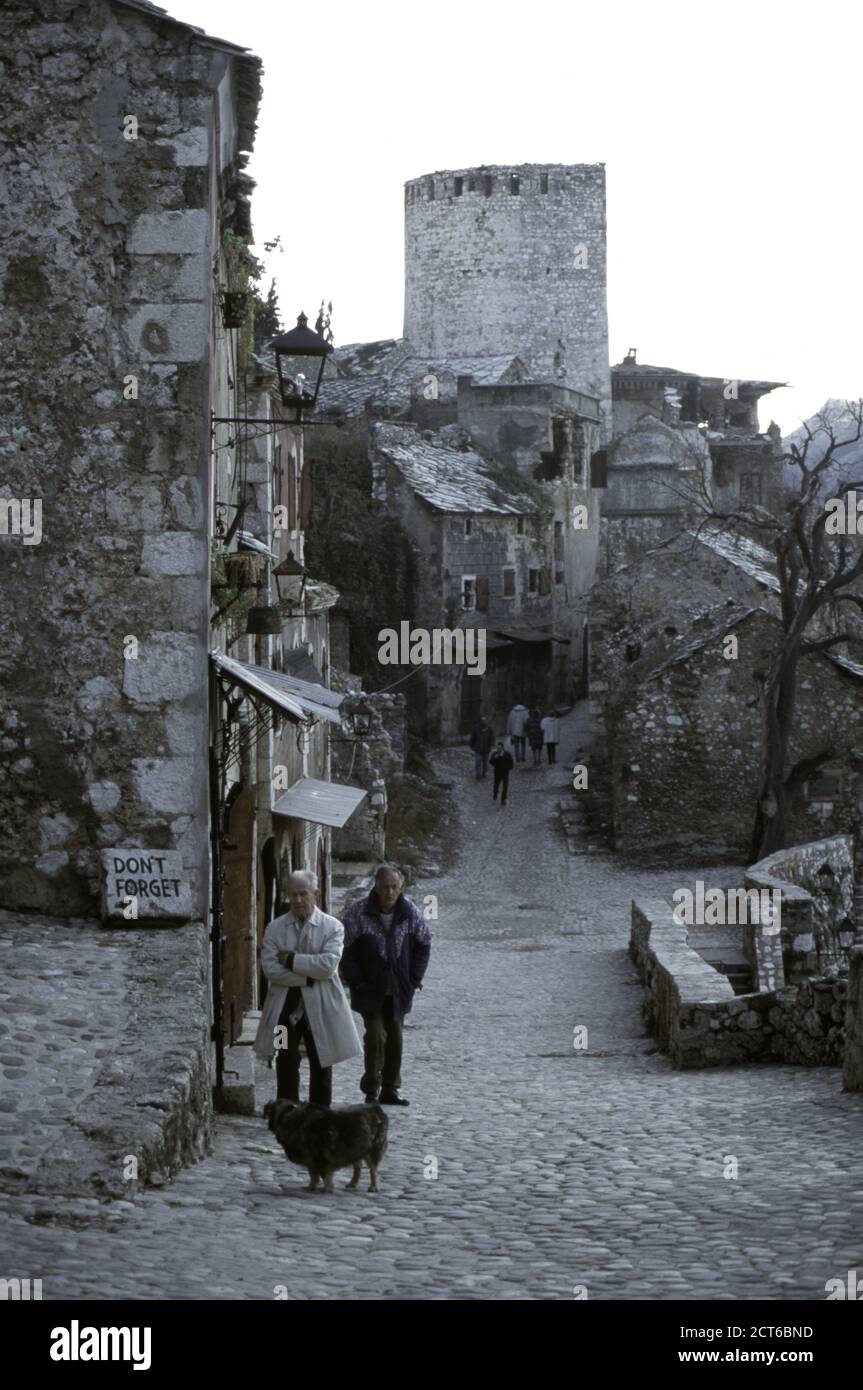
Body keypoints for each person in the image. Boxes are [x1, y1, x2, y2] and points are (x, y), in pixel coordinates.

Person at [254, 869, 362, 1105]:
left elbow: (327, 966)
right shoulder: (275, 928)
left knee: (322, 1060)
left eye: (303, 894)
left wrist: (291, 960)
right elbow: (271, 969)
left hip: (321, 1009)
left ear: (316, 894)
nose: (298, 900)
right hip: (284, 1012)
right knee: (285, 1058)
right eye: (293, 895)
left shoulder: (332, 927)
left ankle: (320, 1116)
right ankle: (286, 1112)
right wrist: (307, 977)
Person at [340, 865, 431, 1106]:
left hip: (399, 988)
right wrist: (356, 980)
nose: (390, 893)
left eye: (394, 888)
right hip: (369, 988)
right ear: (376, 887)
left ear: (400, 888)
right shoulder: (359, 912)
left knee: (396, 1037)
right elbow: (345, 949)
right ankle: (371, 1086)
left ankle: (390, 1088)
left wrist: (413, 979)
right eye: (385, 888)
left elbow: (424, 943)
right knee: (376, 1036)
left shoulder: (409, 911)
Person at [489, 741, 514, 806]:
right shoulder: (495, 754)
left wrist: (508, 769)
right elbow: (491, 762)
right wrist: (495, 758)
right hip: (497, 772)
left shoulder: (507, 754)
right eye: (497, 748)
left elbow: (511, 763)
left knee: (505, 786)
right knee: (496, 785)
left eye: (499, 748)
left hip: (505, 773)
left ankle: (503, 799)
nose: (498, 749)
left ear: (502, 748)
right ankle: (495, 795)